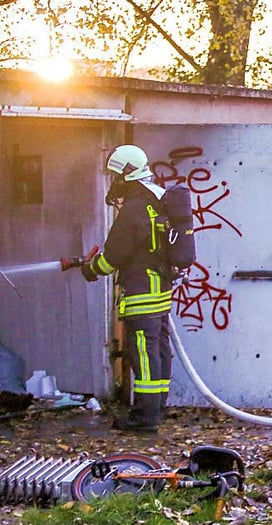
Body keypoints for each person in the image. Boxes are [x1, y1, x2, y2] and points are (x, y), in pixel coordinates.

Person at [80, 144, 173, 434]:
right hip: (159, 291)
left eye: (116, 175)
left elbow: (114, 256)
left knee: (143, 354)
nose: (113, 181)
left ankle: (145, 417)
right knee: (158, 350)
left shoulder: (133, 209)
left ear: (127, 174)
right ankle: (157, 407)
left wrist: (91, 268)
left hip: (141, 292)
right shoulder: (157, 198)